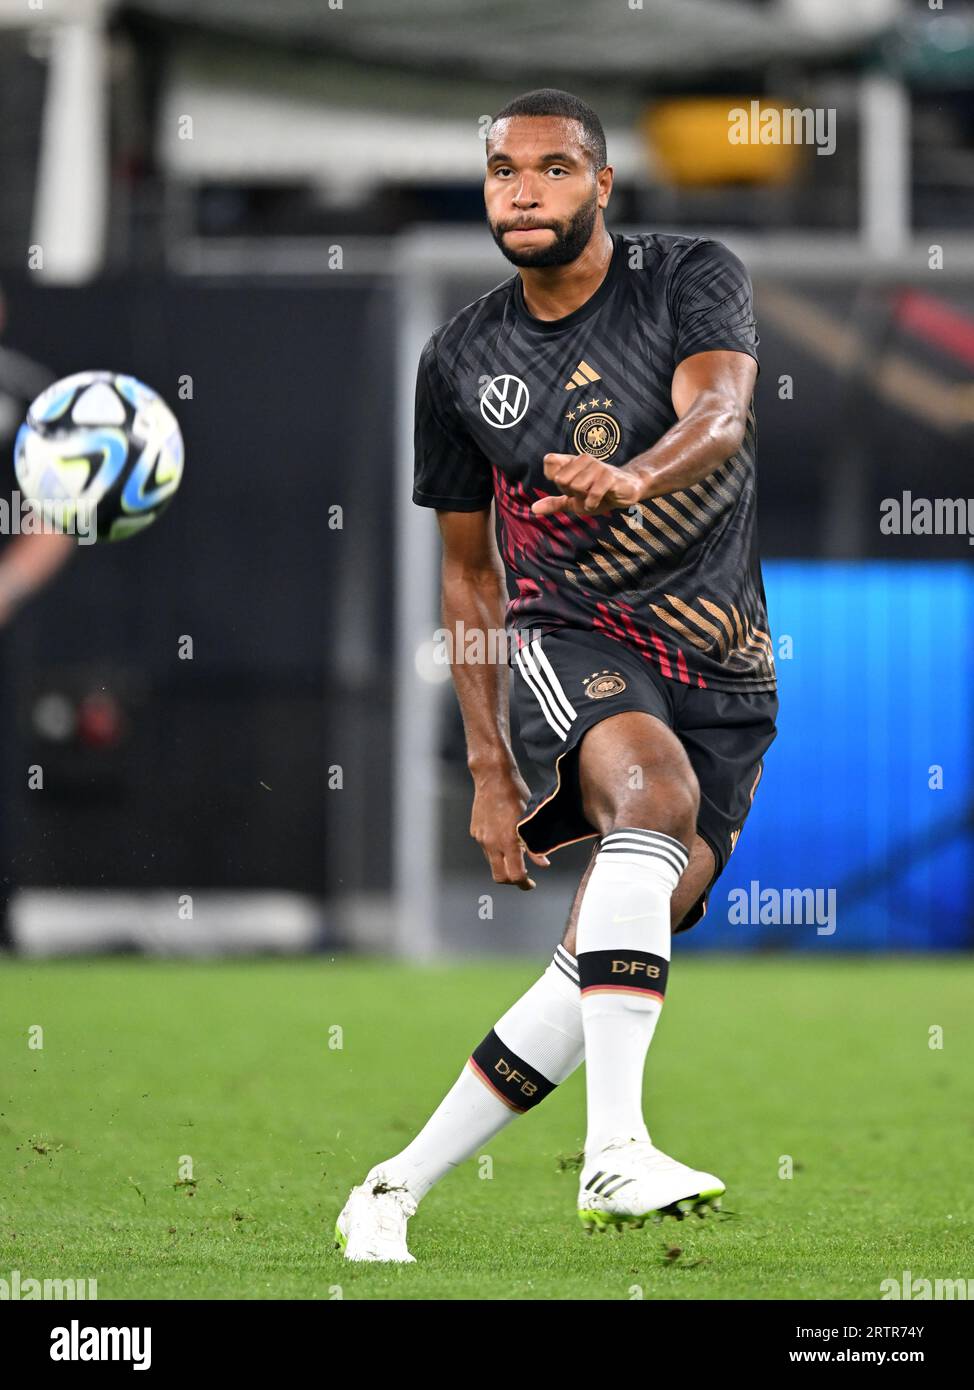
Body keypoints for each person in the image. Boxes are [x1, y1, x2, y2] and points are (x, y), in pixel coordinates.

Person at [337, 88, 778, 1261]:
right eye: (500, 171)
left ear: (601, 187)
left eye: (551, 167)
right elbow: (469, 580)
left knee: (603, 954)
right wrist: (487, 765)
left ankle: (389, 1187)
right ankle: (615, 1153)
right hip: (564, 635)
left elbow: (724, 411)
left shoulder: (689, 272)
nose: (521, 191)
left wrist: (635, 476)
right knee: (651, 799)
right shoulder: (458, 358)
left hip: (725, 669)